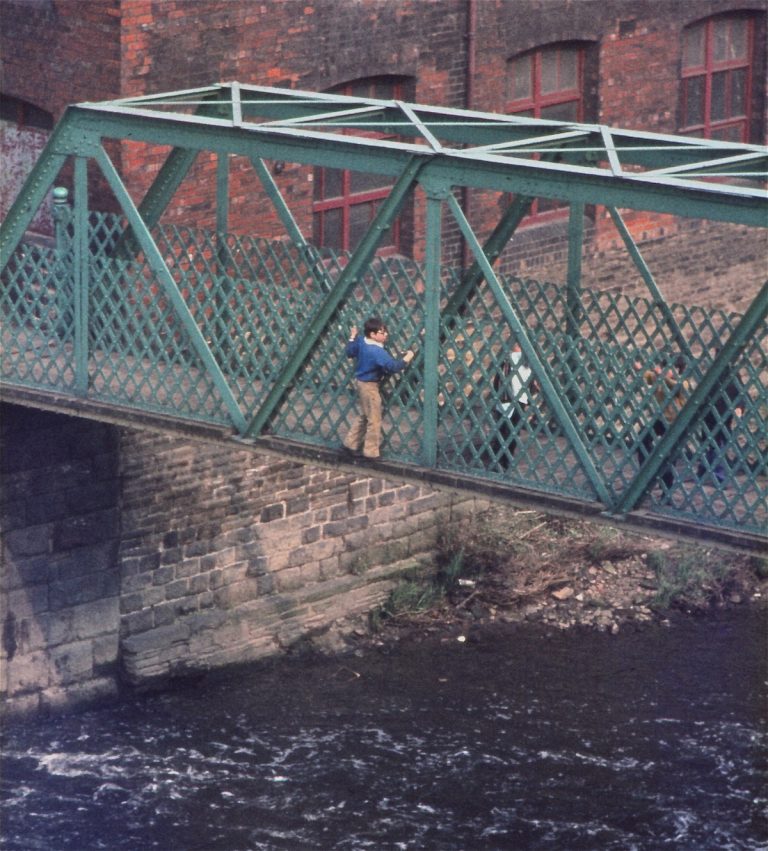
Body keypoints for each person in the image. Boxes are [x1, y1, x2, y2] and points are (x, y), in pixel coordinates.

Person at [341, 316, 415, 460]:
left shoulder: (362, 341)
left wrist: (352, 337)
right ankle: (370, 452)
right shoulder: (377, 352)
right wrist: (408, 357)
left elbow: (350, 352)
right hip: (370, 386)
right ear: (373, 335)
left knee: (365, 415)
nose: (386, 334)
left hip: (361, 383)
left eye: (385, 331)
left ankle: (350, 444)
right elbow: (393, 367)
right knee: (374, 419)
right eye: (382, 332)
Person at [635, 355, 689, 492]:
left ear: (677, 369)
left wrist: (661, 375)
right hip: (660, 419)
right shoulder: (660, 378)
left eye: (668, 368)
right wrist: (640, 369)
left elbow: (677, 387)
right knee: (643, 438)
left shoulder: (683, 382)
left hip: (675, 422)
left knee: (669, 453)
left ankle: (666, 488)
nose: (665, 370)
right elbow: (648, 376)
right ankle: (645, 474)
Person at [488, 343, 536, 470]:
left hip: (507, 399)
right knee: (514, 431)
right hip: (521, 399)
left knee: (503, 430)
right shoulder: (529, 360)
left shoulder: (510, 358)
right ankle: (507, 459)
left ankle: (499, 460)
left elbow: (498, 381)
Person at [698, 372, 745, 484]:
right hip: (714, 414)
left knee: (716, 445)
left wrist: (740, 407)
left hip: (721, 414)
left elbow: (741, 394)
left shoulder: (729, 375)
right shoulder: (730, 375)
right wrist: (740, 407)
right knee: (713, 444)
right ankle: (709, 471)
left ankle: (714, 473)